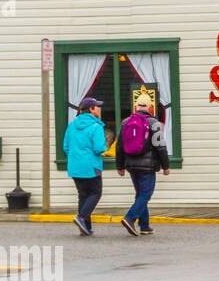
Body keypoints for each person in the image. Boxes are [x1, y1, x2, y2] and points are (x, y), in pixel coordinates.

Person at [116, 91, 170, 237]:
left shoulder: (125, 122)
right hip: (148, 166)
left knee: (140, 194)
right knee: (146, 194)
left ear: (136, 107)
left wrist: (119, 166)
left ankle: (144, 226)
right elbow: (160, 146)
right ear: (150, 107)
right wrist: (166, 166)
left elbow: (119, 146)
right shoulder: (154, 123)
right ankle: (130, 218)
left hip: (131, 165)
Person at [65, 96, 108, 237]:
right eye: (97, 106)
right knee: (95, 193)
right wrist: (105, 146)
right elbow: (99, 148)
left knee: (83, 195)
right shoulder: (96, 126)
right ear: (91, 109)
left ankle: (86, 227)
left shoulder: (71, 125)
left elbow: (65, 147)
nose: (99, 109)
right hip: (91, 166)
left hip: (75, 166)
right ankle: (81, 217)